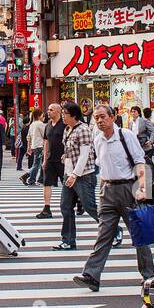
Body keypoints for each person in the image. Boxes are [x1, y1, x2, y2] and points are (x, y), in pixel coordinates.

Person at [74, 104, 153, 293]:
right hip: (107, 190)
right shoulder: (98, 139)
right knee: (104, 235)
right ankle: (92, 275)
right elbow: (102, 166)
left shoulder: (126, 136)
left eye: (103, 117)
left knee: (139, 235)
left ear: (113, 116)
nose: (99, 121)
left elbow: (139, 161)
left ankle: (148, 275)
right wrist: (102, 189)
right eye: (96, 118)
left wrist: (141, 188)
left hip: (128, 189)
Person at [54, 102, 98, 251]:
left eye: (65, 114)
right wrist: (66, 160)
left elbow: (84, 155)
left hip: (84, 175)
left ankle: (114, 229)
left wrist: (74, 174)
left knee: (89, 206)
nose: (63, 117)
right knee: (65, 206)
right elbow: (70, 151)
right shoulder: (67, 130)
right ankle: (68, 240)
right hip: (70, 174)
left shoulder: (84, 130)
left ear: (74, 115)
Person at [37, 103, 65, 219]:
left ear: (58, 112)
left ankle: (77, 202)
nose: (48, 112)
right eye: (48, 109)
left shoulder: (64, 125)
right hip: (49, 159)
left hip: (63, 160)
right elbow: (46, 142)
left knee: (68, 184)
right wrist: (44, 160)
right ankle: (46, 208)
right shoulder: (47, 125)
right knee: (46, 183)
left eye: (51, 110)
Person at [135, 108, 154, 203]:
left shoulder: (145, 121)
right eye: (132, 111)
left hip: (146, 149)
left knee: (146, 170)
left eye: (134, 111)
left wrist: (151, 141)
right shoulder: (132, 122)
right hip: (137, 150)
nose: (133, 113)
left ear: (139, 113)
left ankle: (147, 191)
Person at [22, 108, 46, 187]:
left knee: (39, 163)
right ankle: (30, 178)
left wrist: (29, 147)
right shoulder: (40, 124)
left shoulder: (32, 124)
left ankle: (39, 179)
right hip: (40, 145)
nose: (43, 116)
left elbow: (28, 137)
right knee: (37, 164)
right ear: (39, 116)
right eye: (42, 115)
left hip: (34, 146)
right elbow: (45, 136)